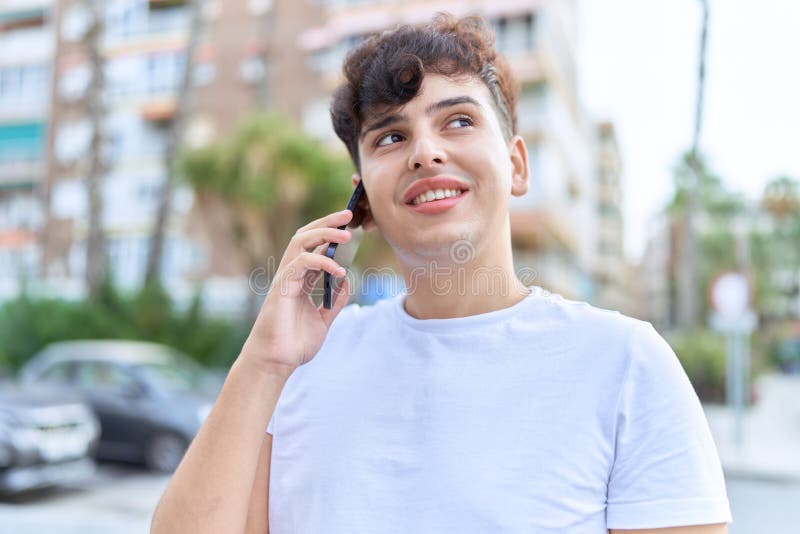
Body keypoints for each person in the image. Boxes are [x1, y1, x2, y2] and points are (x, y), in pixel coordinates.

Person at [151, 14, 731, 534]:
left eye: (457, 121)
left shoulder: (627, 364)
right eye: (391, 136)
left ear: (516, 164)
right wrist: (263, 362)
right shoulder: (297, 367)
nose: (424, 152)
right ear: (363, 200)